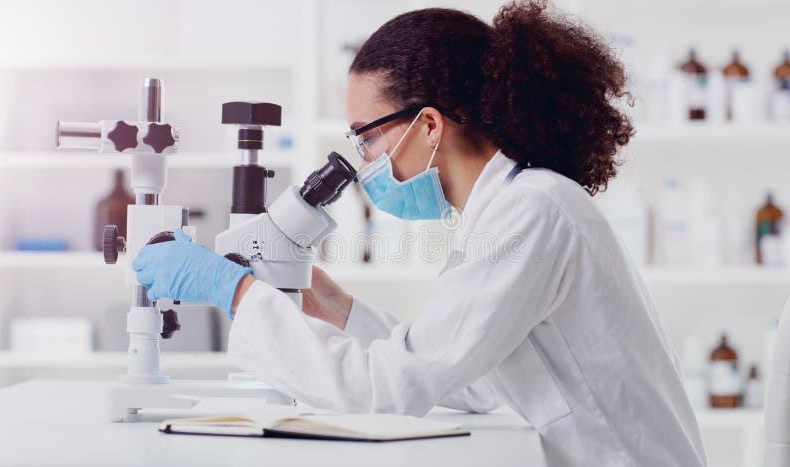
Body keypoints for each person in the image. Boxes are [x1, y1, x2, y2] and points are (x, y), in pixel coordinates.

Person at [132, 2, 707, 465]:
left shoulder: (531, 213)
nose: (364, 163)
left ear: (428, 125)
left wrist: (234, 292)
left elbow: (387, 389)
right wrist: (330, 302)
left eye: (367, 137)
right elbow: (471, 378)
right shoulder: (511, 206)